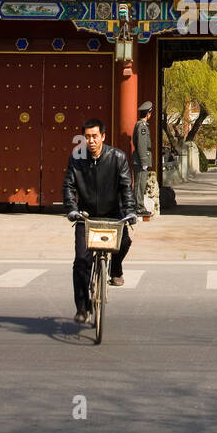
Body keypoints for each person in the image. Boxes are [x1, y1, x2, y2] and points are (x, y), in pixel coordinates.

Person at [63, 117, 138, 324]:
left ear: (103, 137)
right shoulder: (77, 159)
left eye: (95, 136)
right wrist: (72, 209)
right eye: (87, 137)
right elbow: (69, 186)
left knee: (125, 242)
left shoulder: (118, 157)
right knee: (81, 261)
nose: (91, 141)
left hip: (112, 213)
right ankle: (82, 306)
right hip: (86, 216)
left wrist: (130, 212)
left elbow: (126, 188)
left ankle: (115, 268)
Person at [131, 101, 154, 218]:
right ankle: (138, 207)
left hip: (140, 159)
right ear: (148, 113)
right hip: (141, 160)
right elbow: (141, 145)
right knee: (139, 184)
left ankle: (139, 206)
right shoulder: (142, 126)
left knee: (141, 184)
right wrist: (144, 161)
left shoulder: (141, 125)